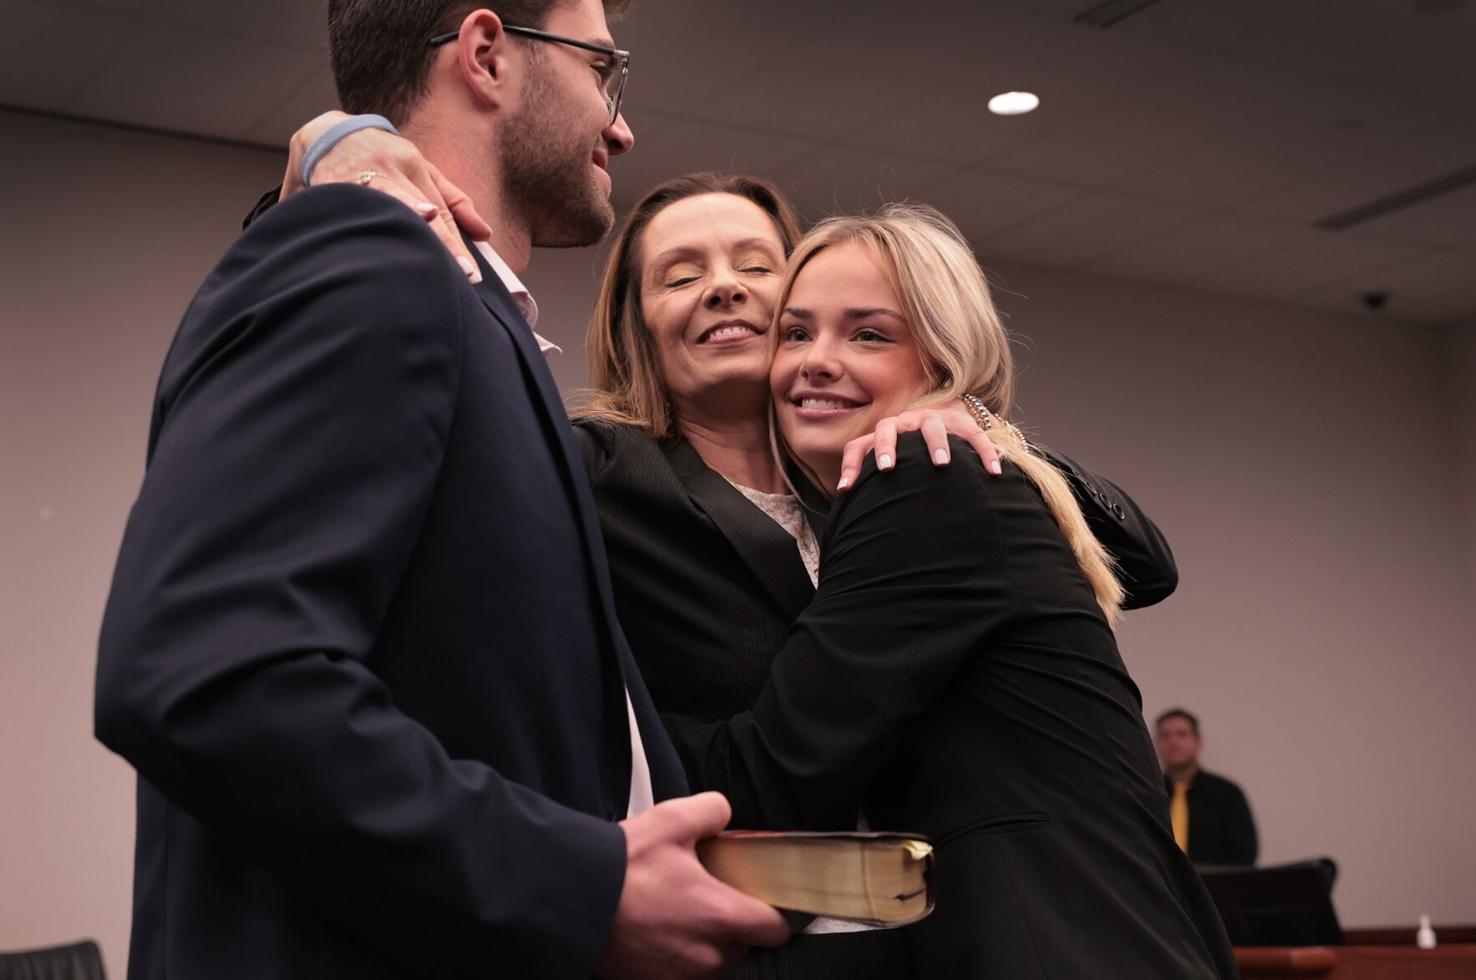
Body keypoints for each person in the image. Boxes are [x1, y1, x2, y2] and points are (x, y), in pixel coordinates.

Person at [263, 137, 1181, 972]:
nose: (724, 286)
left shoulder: (884, 476)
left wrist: (967, 414)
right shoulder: (591, 468)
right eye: (679, 274)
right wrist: (321, 191)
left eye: (756, 265)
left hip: (955, 940)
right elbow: (411, 430)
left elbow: (1139, 560)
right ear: (639, 324)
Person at [93, 2, 792, 979]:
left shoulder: (479, 325)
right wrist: (582, 883)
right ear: (487, 53)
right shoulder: (371, 255)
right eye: (603, 68)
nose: (622, 124)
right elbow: (203, 671)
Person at [663, 203, 1239, 978]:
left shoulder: (922, 481)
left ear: (941, 360)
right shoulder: (943, 479)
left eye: (868, 334)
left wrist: (592, 713)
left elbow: (771, 775)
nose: (816, 361)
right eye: (796, 333)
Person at [1156, 707, 1259, 866]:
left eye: (1182, 734)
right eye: (1165, 735)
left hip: (1216, 888)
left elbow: (1245, 856)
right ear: (1157, 744)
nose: (1173, 742)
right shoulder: (1148, 794)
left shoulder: (1227, 794)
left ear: (1198, 742)